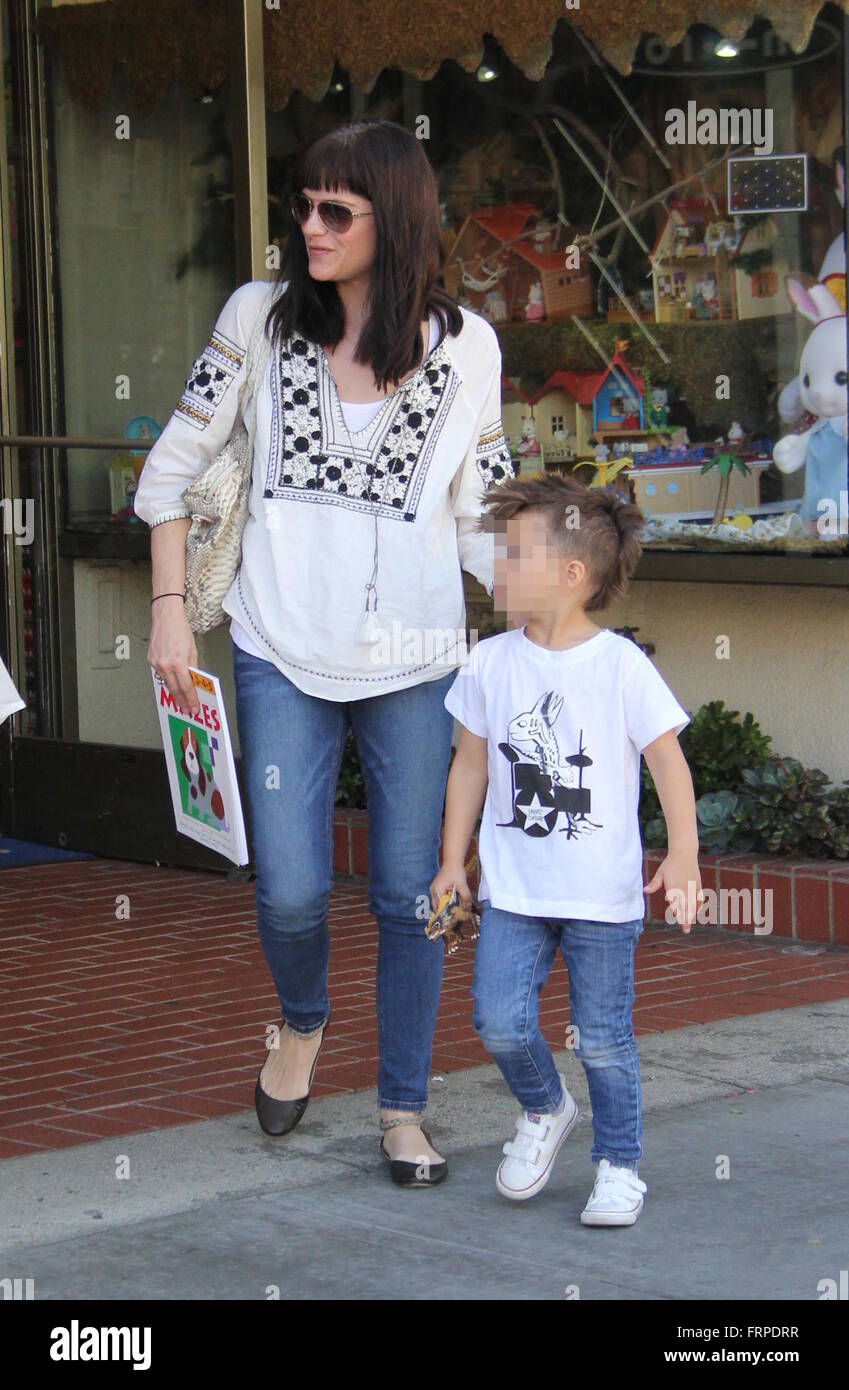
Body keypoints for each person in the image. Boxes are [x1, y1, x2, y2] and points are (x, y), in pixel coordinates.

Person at [133, 118, 515, 1187]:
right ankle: (302, 1020)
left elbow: (483, 514)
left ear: (395, 221)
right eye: (302, 204)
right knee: (290, 890)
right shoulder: (257, 321)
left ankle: (403, 1109)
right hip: (275, 643)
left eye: (334, 210)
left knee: (408, 891)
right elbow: (170, 474)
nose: (309, 225)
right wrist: (171, 609)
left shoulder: (469, 348)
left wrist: (553, 620)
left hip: (421, 661)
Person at [431, 470, 702, 1223]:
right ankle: (545, 1107)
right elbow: (470, 763)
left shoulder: (620, 666)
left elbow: (667, 762)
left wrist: (681, 855)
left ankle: (618, 1165)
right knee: (497, 1019)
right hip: (515, 891)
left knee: (605, 1041)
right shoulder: (489, 663)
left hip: (600, 899)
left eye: (515, 555)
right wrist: (453, 863)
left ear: (572, 575)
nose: (498, 570)